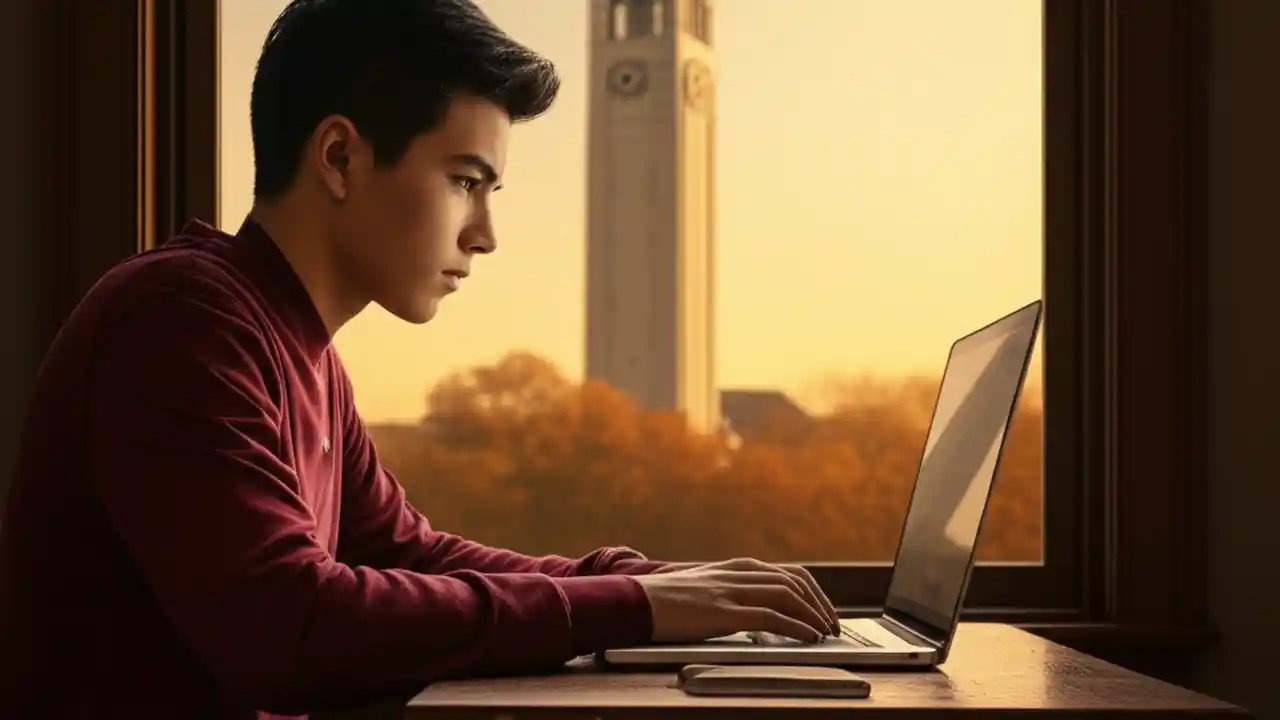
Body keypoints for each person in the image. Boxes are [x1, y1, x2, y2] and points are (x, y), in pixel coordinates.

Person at [0, 0, 839, 717]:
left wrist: (644, 581)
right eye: (464, 181)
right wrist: (630, 605)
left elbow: (411, 554)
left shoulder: (299, 352)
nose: (486, 235)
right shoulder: (181, 321)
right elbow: (297, 624)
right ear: (339, 158)